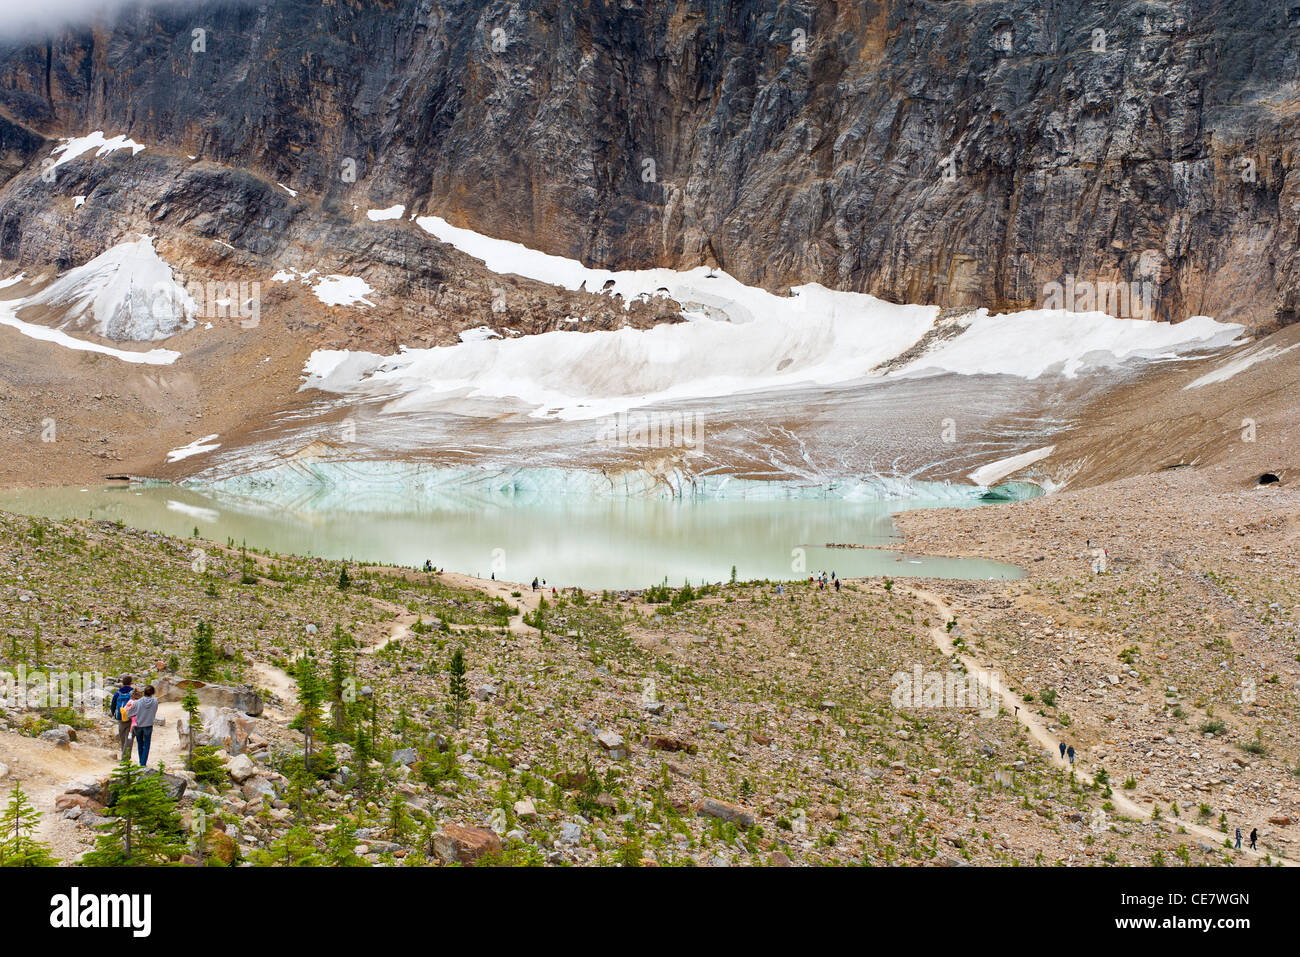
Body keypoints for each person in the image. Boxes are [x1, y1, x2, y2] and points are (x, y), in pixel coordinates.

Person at [128, 685, 159, 767]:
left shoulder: (137, 702)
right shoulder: (155, 702)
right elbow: (154, 711)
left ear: (144, 692)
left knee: (140, 743)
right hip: (148, 725)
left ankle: (141, 762)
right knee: (147, 744)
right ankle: (143, 763)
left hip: (138, 725)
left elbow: (130, 713)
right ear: (152, 693)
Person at [110, 676, 134, 760]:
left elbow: (113, 705)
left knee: (123, 738)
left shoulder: (117, 693)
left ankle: (124, 756)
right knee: (129, 738)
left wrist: (114, 714)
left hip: (120, 717)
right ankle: (125, 758)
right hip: (130, 718)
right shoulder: (133, 693)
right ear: (130, 683)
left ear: (123, 683)